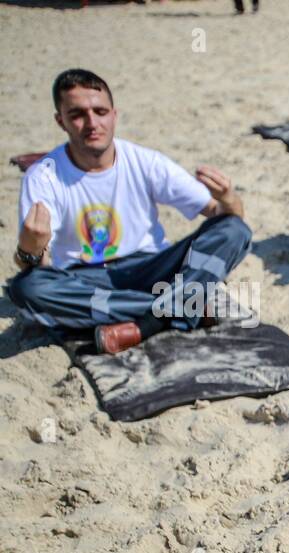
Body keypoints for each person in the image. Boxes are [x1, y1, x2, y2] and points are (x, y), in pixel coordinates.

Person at [7, 69, 253, 355]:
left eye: (100, 111)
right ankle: (184, 306)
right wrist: (30, 249)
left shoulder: (144, 161)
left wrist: (228, 198)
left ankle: (146, 324)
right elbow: (35, 266)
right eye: (77, 114)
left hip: (152, 268)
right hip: (85, 278)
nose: (91, 123)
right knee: (28, 289)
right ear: (60, 121)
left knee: (235, 230)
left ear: (114, 115)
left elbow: (223, 217)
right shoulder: (44, 176)